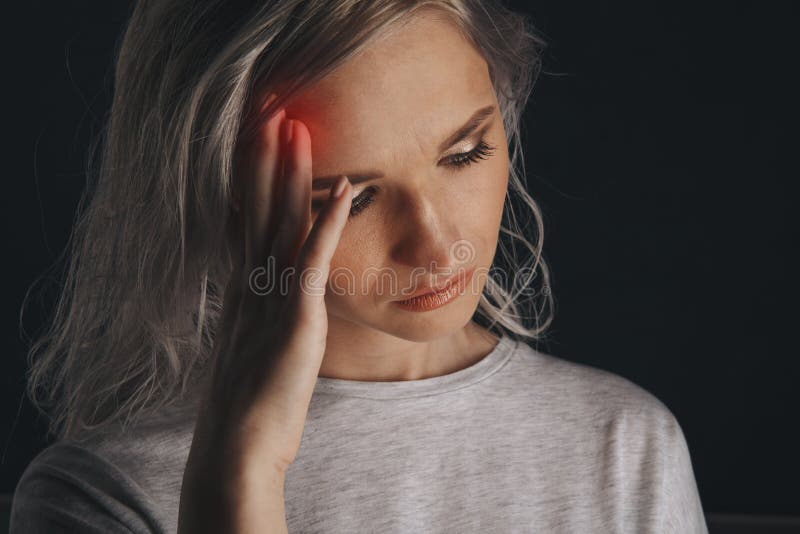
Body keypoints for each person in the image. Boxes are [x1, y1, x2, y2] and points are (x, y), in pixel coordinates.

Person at [10, 1, 708, 532]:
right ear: (222, 192)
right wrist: (241, 469)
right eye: (355, 197)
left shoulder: (624, 446)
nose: (436, 246)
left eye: (464, 154)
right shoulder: (102, 494)